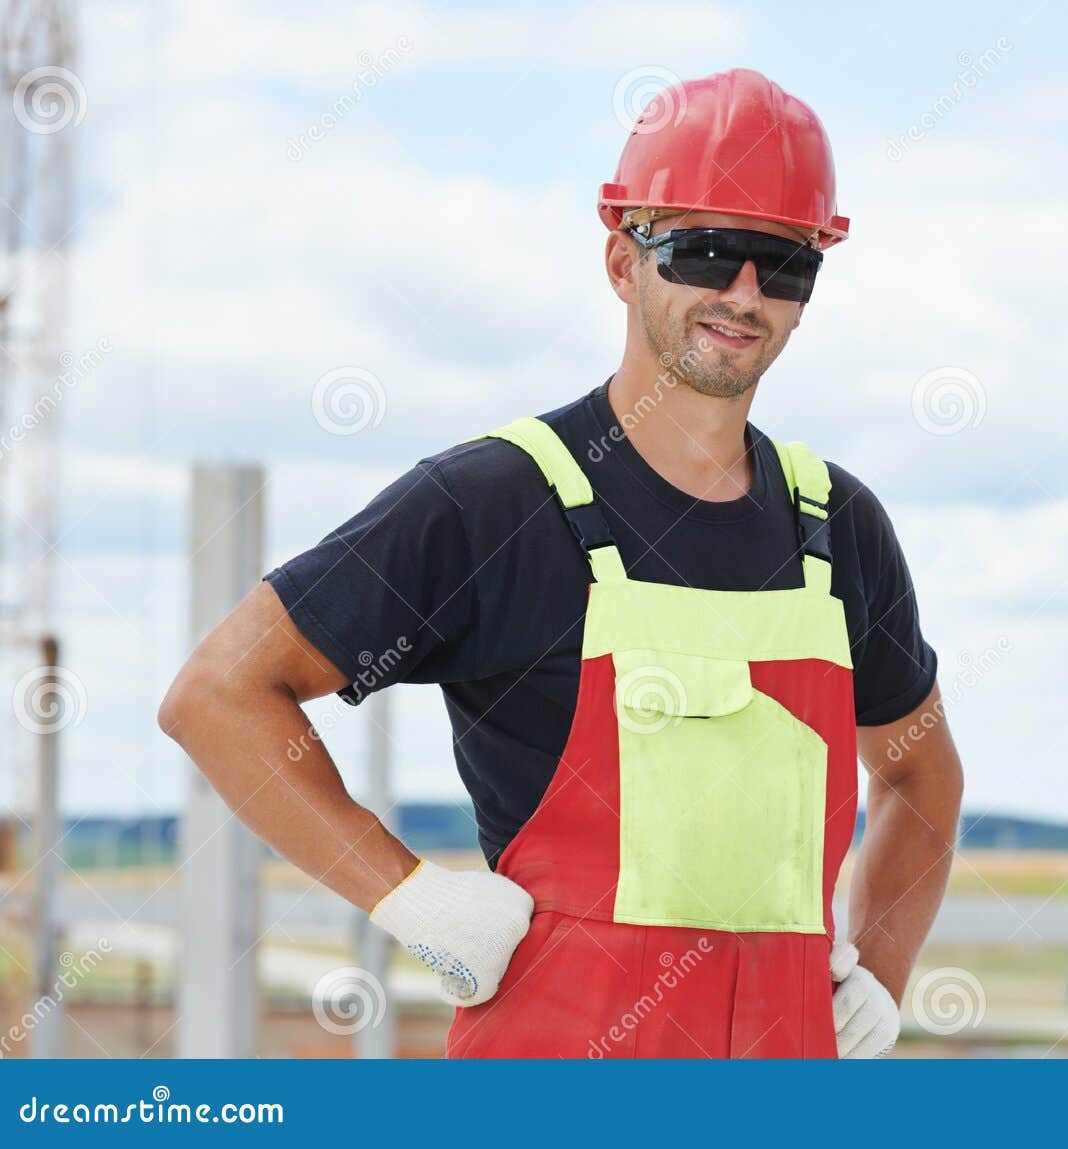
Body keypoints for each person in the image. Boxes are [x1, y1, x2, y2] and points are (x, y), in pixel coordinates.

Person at [160, 67, 963, 1059]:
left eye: (786, 263)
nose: (745, 293)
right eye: (707, 250)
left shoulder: (836, 528)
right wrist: (411, 897)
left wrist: (879, 970)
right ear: (623, 261)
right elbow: (218, 695)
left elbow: (920, 773)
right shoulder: (496, 503)